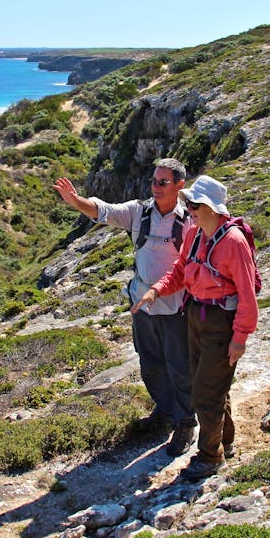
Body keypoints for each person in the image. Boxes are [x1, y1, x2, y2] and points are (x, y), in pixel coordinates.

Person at [52, 158, 197, 456]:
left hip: (176, 306)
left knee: (180, 367)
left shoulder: (190, 220)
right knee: (150, 363)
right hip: (141, 304)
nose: (155, 187)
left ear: (179, 185)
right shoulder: (139, 212)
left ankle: (185, 422)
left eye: (163, 182)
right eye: (153, 181)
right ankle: (166, 409)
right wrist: (76, 201)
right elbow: (104, 210)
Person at [132, 174, 258, 480]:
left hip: (221, 323)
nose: (189, 208)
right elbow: (180, 270)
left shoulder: (234, 243)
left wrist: (239, 338)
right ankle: (225, 441)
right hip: (195, 316)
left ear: (214, 209)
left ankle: (209, 457)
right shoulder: (195, 234)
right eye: (189, 202)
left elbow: (247, 295)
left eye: (196, 204)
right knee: (211, 385)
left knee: (205, 392)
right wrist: (157, 289)